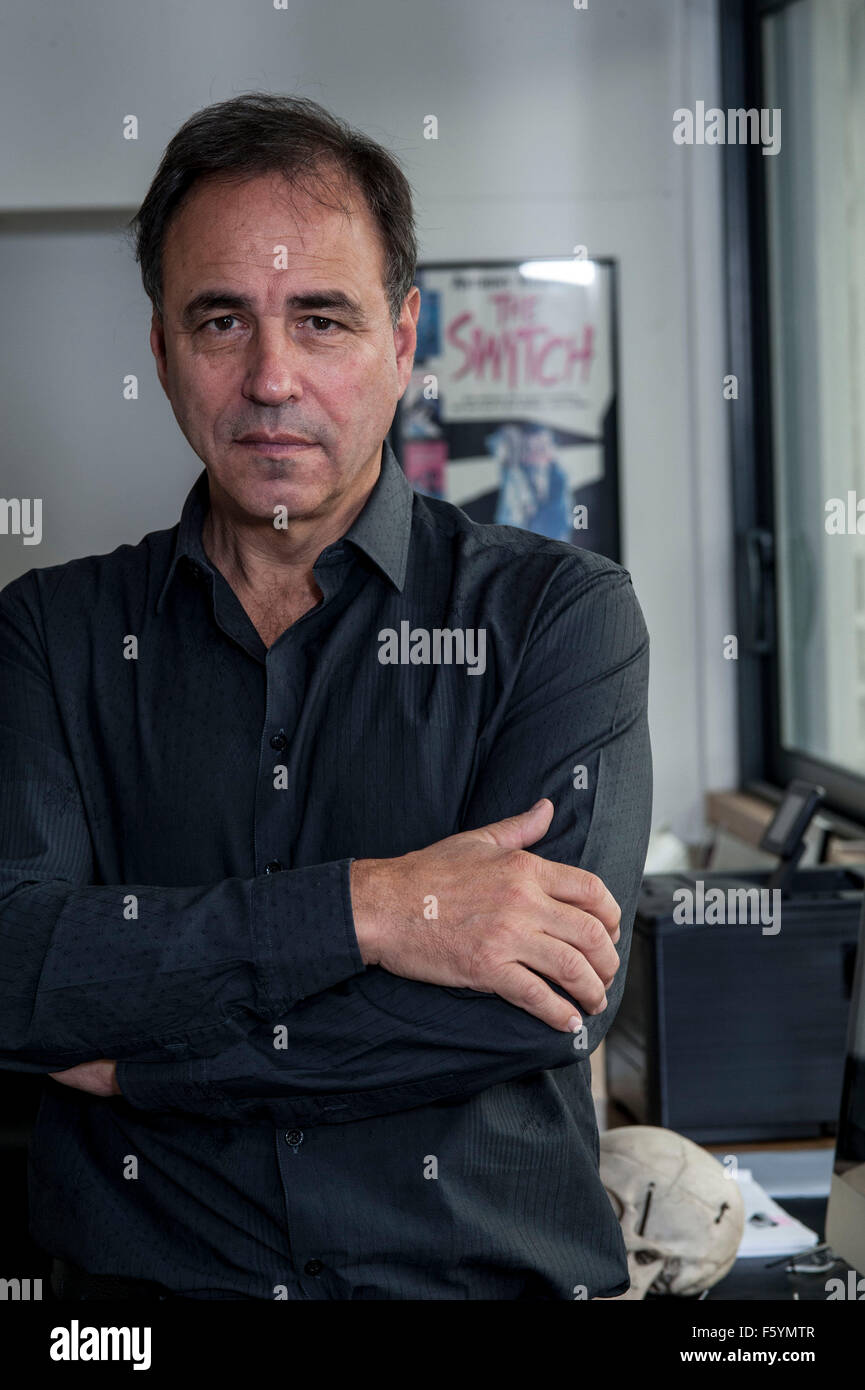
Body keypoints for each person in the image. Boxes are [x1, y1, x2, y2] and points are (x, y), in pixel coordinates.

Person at [0, 93, 652, 1301]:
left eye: (321, 318)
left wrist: (147, 1063)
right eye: (220, 321)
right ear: (162, 351)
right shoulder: (48, 634)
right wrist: (372, 909)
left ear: (403, 340)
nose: (270, 377)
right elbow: (16, 969)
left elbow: (549, 1006)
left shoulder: (559, 618)